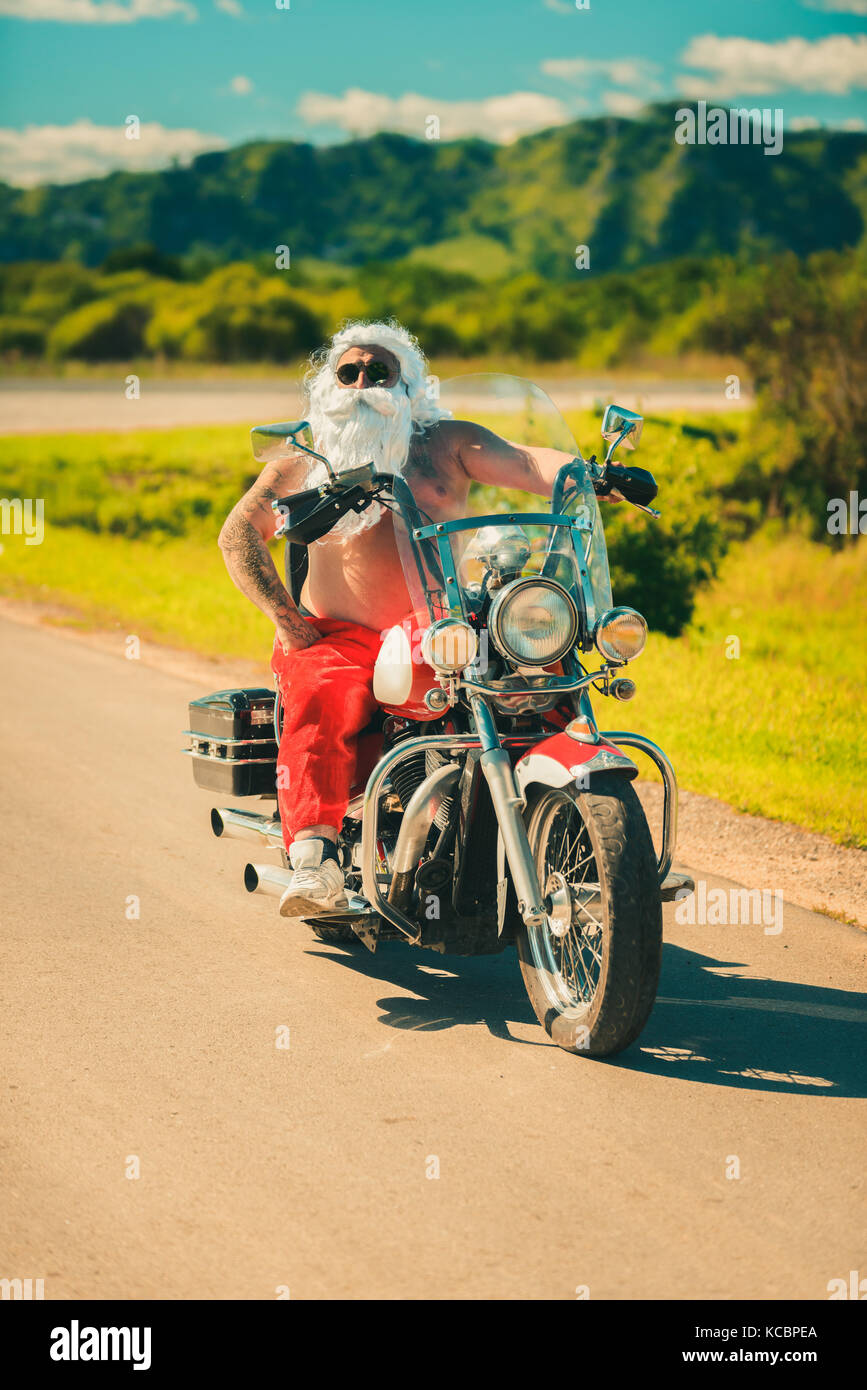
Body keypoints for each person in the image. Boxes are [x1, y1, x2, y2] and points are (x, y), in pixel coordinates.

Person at [218, 320, 609, 916]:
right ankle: (315, 862)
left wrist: (585, 474)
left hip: (436, 629)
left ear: (408, 385)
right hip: (338, 636)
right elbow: (241, 531)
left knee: (532, 669)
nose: (363, 383)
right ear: (330, 385)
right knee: (319, 688)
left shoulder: (445, 442)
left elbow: (528, 460)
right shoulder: (308, 456)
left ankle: (583, 822)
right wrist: (288, 621)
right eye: (349, 372)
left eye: (380, 371)